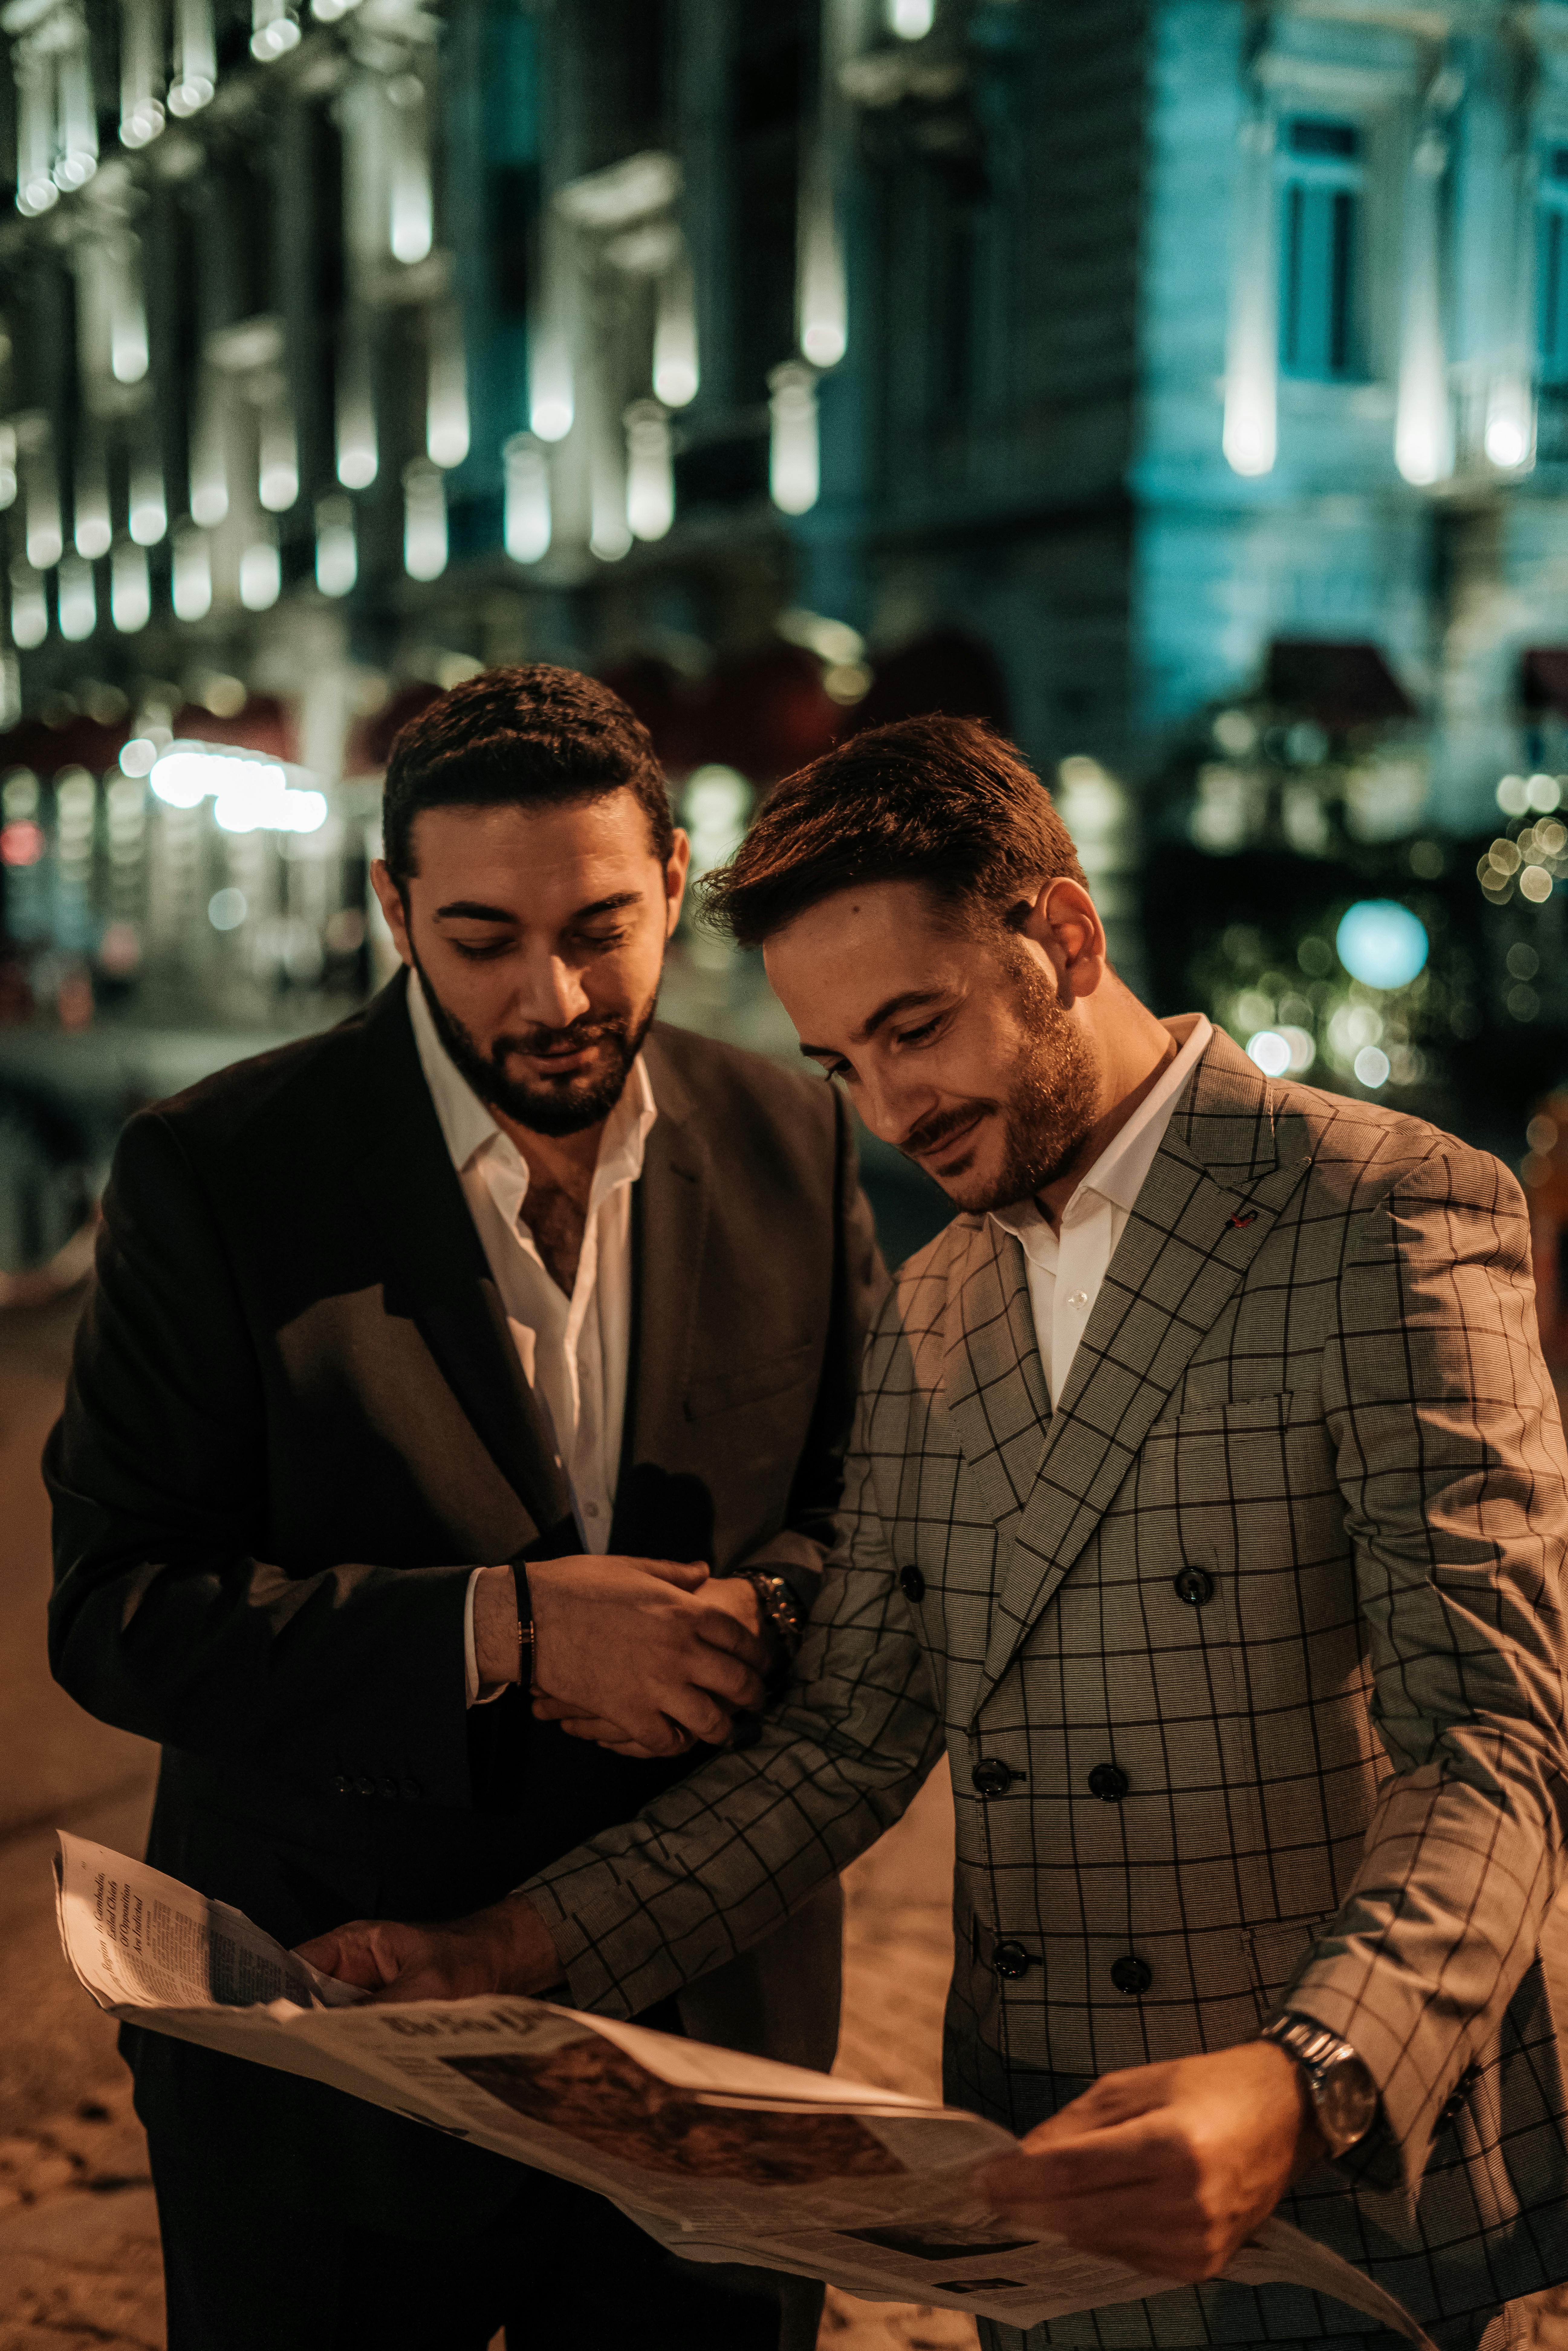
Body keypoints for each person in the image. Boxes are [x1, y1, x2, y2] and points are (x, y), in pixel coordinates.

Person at [307, 714, 1568, 2351]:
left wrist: (1306, 2081)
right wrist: (506, 1949)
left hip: (1311, 2168)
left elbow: (1492, 1743)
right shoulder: (933, 1299)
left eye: (915, 1027)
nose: (889, 1109)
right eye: (841, 1062)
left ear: (1060, 937)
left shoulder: (1379, 1210)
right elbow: (844, 1742)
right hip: (1036, 2176)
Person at [45, 666, 884, 2351]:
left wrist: (771, 1615)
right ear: (393, 909)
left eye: (602, 927)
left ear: (672, 873)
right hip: (334, 2063)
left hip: (705, 2054)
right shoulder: (216, 1170)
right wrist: (499, 1633)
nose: (554, 994)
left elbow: (869, 1515)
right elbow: (117, 1610)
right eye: (485, 940)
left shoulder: (794, 1131)